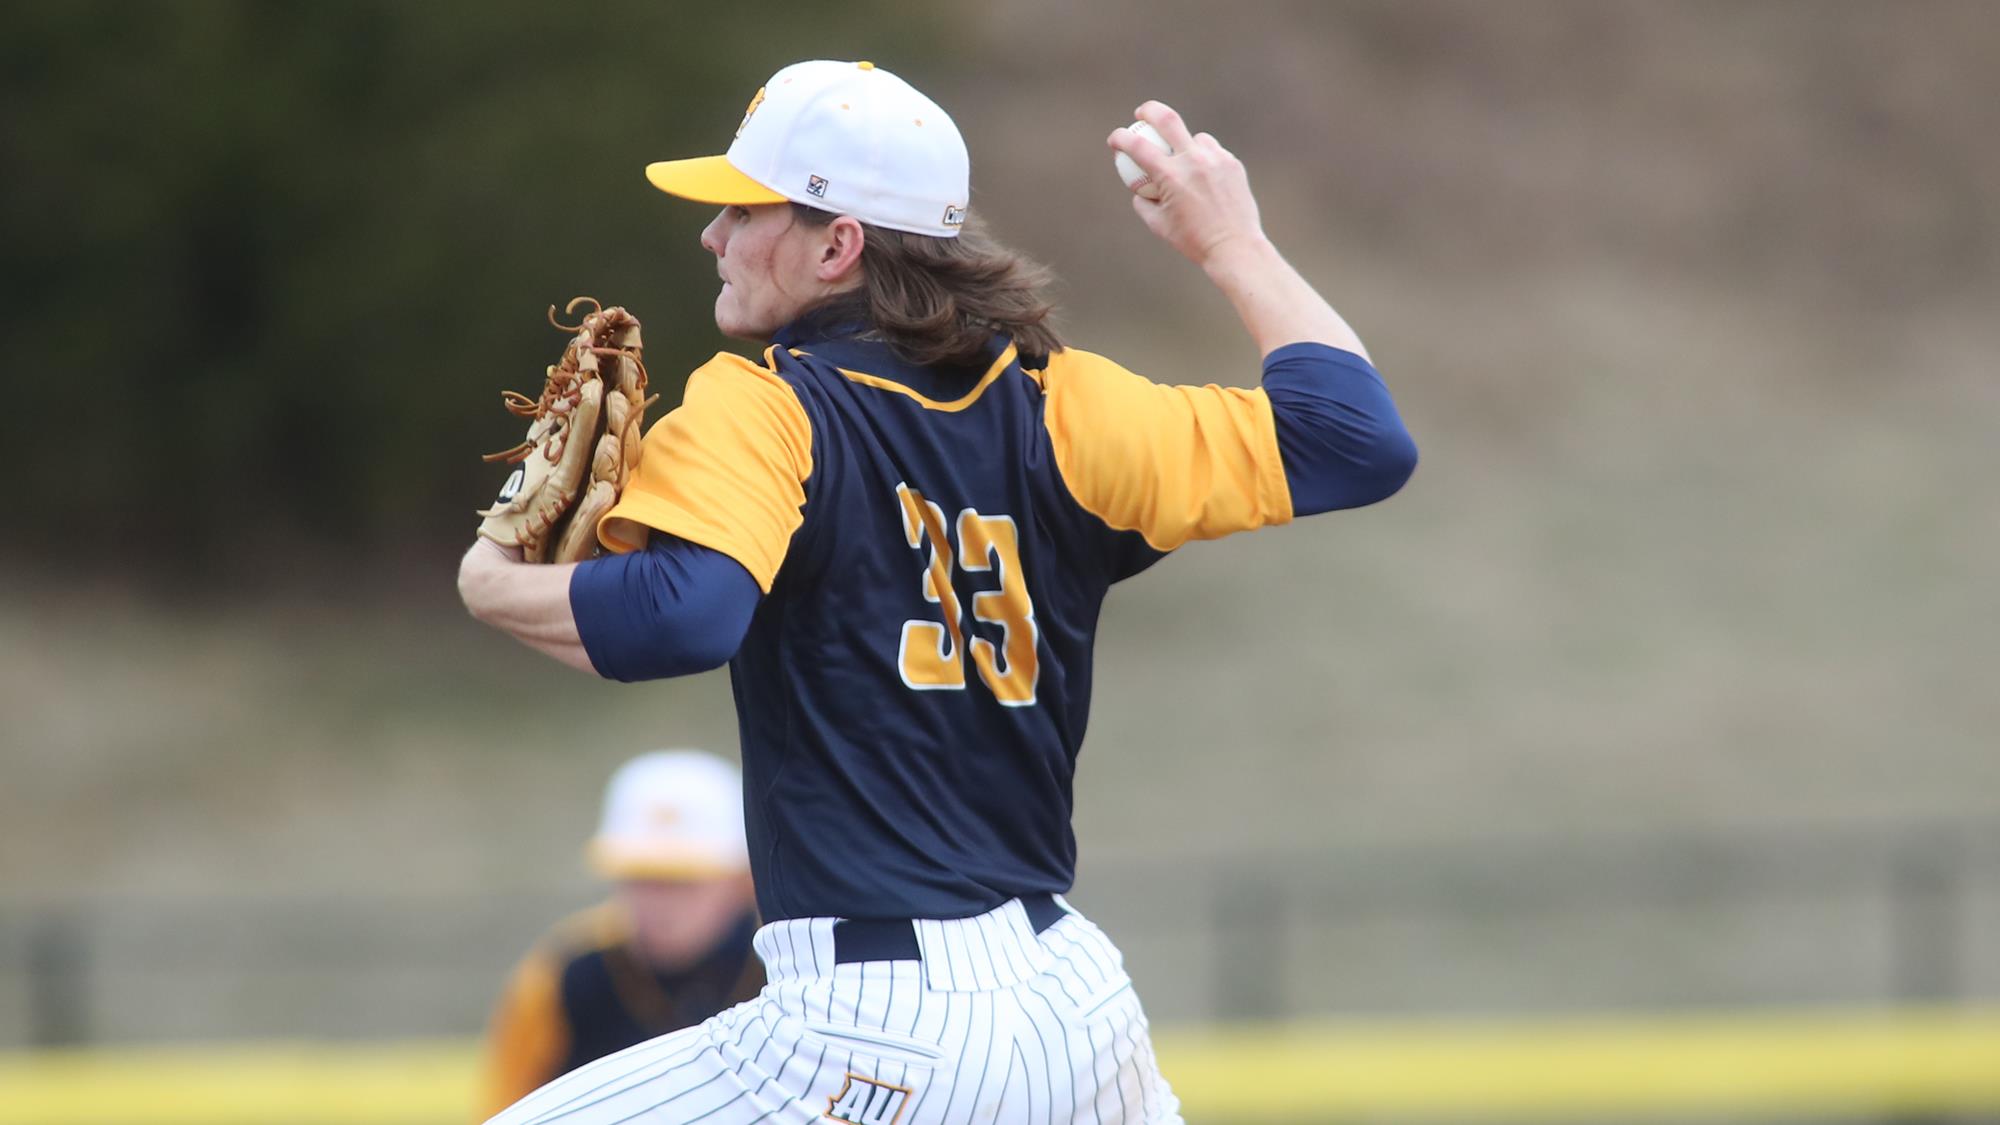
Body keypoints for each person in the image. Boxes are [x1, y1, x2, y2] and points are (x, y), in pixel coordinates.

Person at [459, 58, 1415, 1125]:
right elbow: (1355, 441)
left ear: (837, 245)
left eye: (743, 208)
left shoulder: (767, 408)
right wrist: (1230, 244)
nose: (712, 236)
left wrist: (491, 583)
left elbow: (684, 616)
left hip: (868, 1022)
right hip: (1073, 1006)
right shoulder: (1064, 407)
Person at [475, 751, 763, 1121]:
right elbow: (505, 1108)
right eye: (640, 879)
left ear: (743, 882)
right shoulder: (565, 972)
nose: (658, 904)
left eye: (683, 883)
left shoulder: (786, 964)